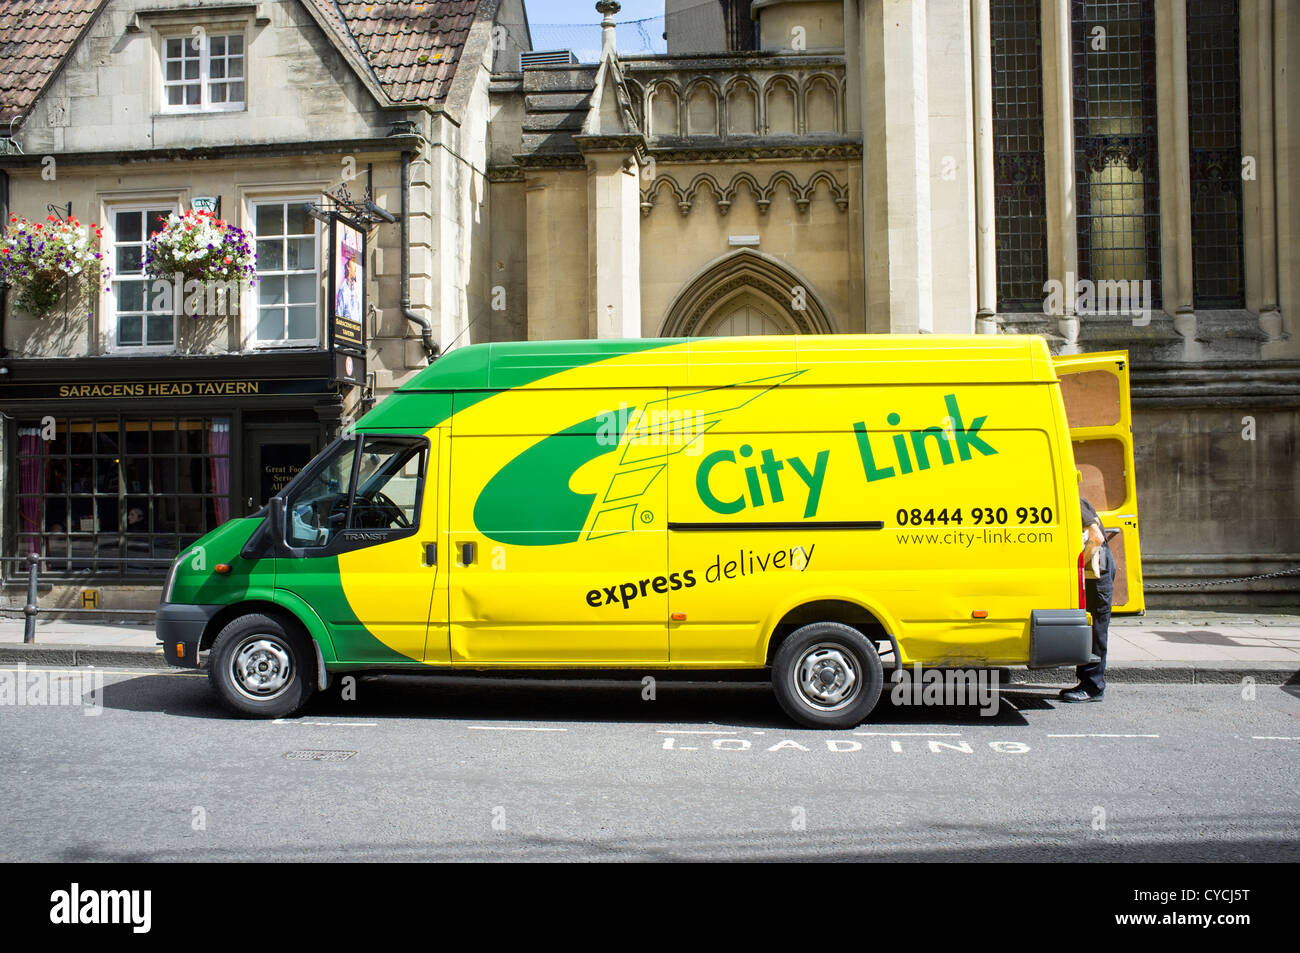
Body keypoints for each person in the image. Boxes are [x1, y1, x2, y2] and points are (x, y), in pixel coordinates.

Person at [1061, 495, 1115, 702]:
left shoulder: (1075, 501)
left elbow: (1097, 537)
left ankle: (1093, 686)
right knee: (1091, 627)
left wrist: (1080, 562)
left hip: (1097, 574)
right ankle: (1087, 681)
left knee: (1096, 630)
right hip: (1097, 573)